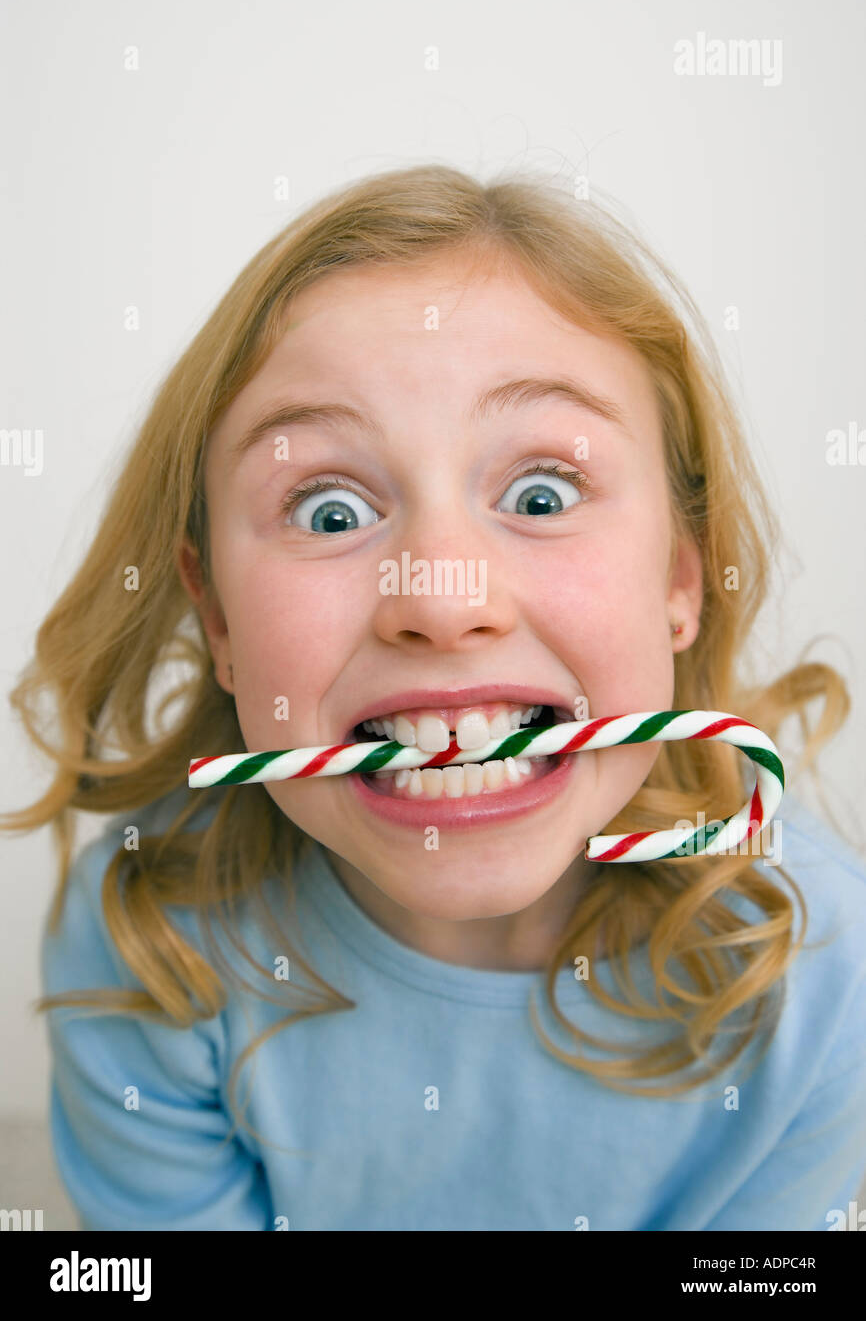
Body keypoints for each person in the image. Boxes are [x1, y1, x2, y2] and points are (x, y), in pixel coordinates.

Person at [7, 164, 866, 1230]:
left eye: (540, 494)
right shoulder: (148, 953)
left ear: (676, 583)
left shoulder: (819, 968)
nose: (441, 597)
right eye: (327, 511)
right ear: (218, 620)